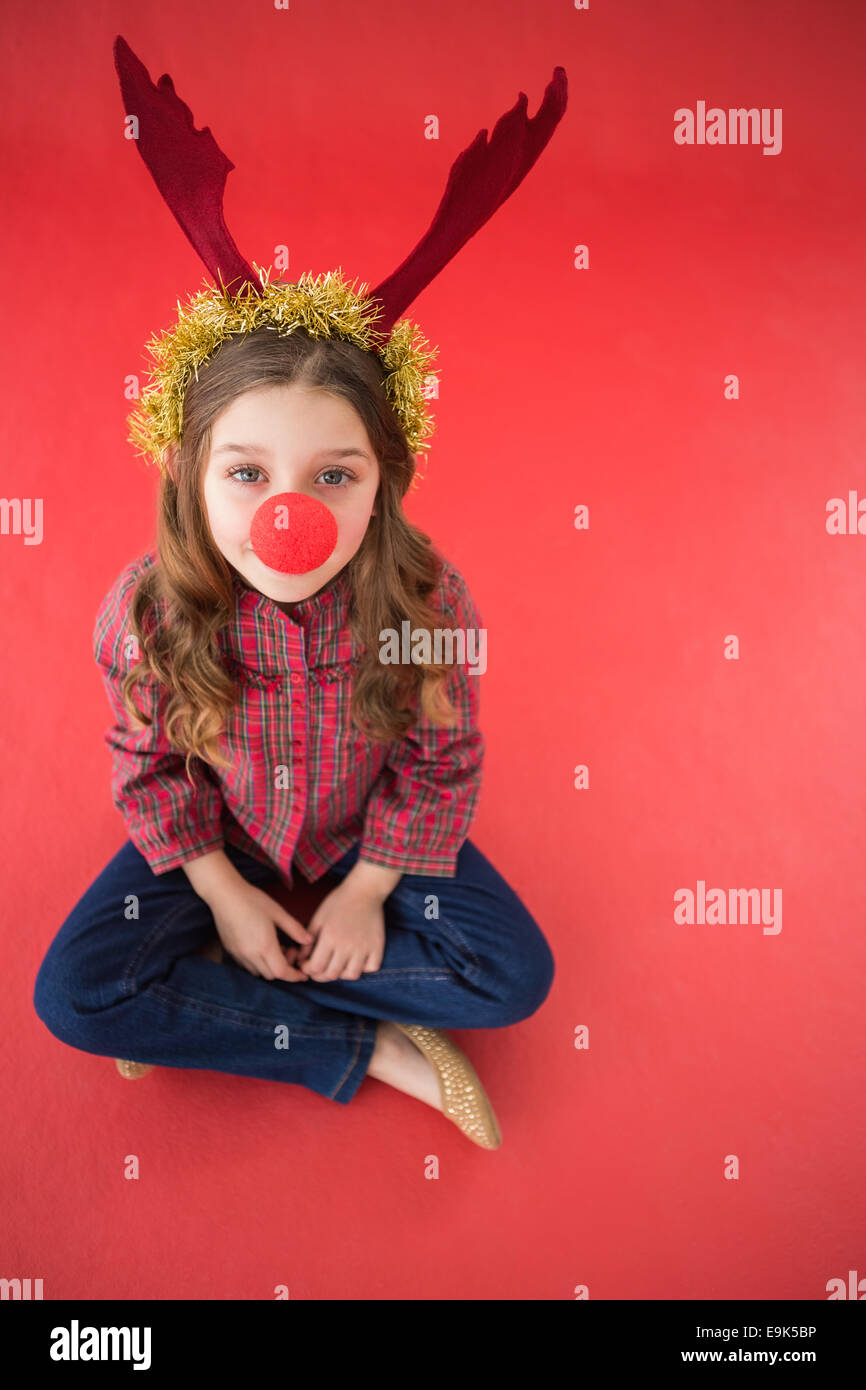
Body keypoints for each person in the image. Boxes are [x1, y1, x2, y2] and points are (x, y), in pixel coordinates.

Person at [32, 36, 568, 1149]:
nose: (292, 512)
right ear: (187, 470)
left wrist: (372, 888)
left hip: (362, 840)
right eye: (248, 473)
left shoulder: (426, 603)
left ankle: (201, 1013)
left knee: (514, 977)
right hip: (225, 839)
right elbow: (147, 764)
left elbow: (439, 757)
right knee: (74, 994)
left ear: (383, 480)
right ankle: (361, 1045)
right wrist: (220, 893)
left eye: (334, 475)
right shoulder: (149, 610)